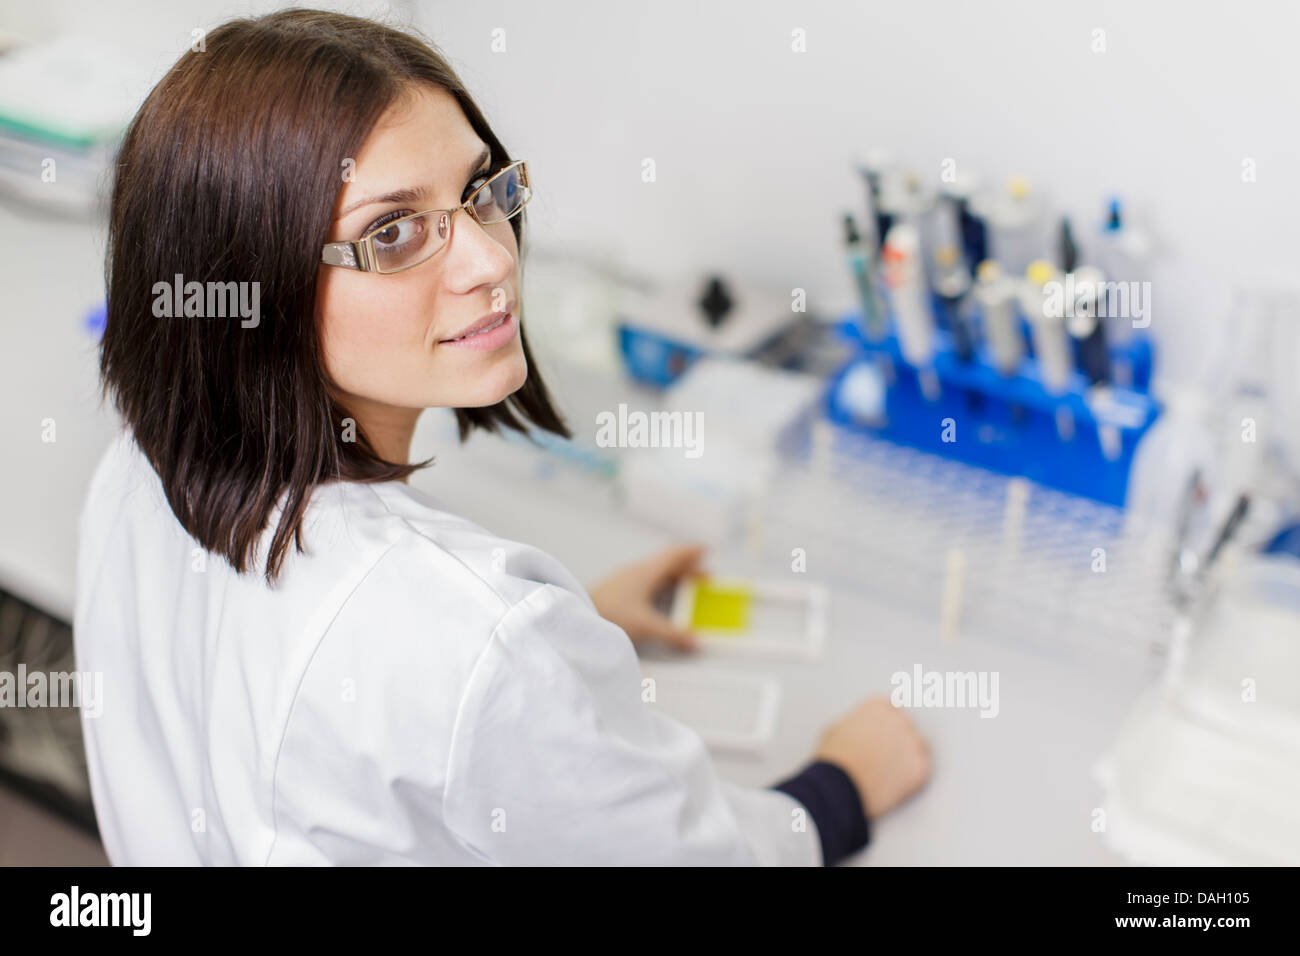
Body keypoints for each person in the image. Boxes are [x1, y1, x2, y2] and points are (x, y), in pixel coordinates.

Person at [74, 8, 929, 866]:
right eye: (393, 232)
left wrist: (553, 656)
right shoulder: (464, 638)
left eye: (480, 191)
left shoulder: (136, 468)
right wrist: (842, 788)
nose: (491, 260)